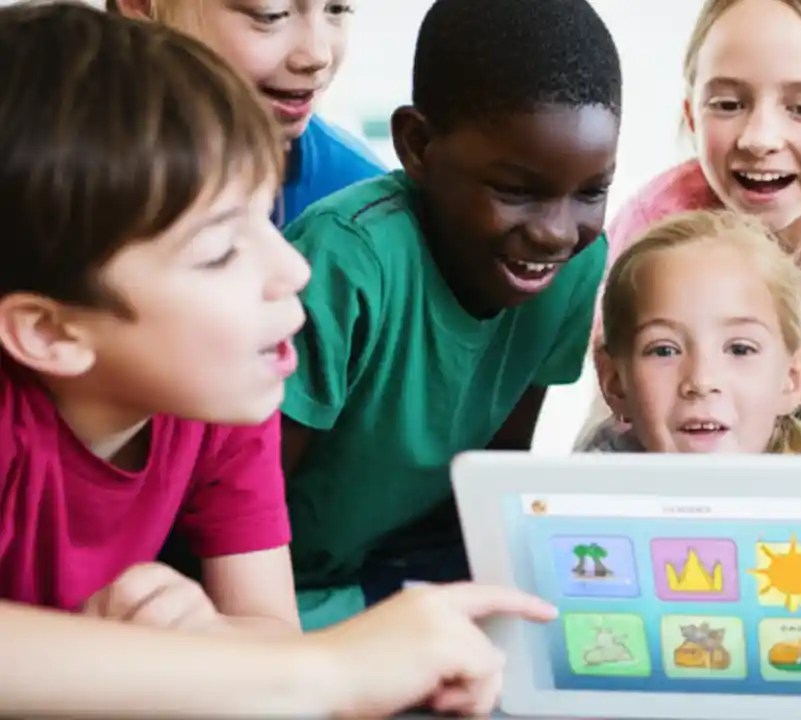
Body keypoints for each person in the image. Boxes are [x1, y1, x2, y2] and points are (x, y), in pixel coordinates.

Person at [280, 0, 622, 631]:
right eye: (516, 191)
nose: (554, 232)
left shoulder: (576, 265)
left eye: (591, 192)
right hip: (276, 581)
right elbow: (242, 499)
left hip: (410, 566)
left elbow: (496, 478)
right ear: (418, 145)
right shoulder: (347, 262)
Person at [0, 0, 307, 634]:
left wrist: (210, 637)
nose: (294, 271)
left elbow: (275, 638)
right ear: (49, 332)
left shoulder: (221, 391)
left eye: (267, 216)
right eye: (221, 251)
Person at [580, 0, 801, 447]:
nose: (759, 138)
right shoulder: (652, 222)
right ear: (692, 117)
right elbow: (620, 412)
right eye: (728, 103)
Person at [1, 584, 556, 718]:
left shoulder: (227, 413)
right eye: (214, 275)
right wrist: (333, 666)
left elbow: (271, 627)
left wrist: (212, 639)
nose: (295, 279)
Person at [113, 0, 384, 226]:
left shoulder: (365, 202)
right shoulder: (78, 179)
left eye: (337, 8)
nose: (317, 55)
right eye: (271, 15)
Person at [586, 210, 801, 454]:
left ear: (792, 378)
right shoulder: (575, 491)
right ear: (614, 381)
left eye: (740, 349)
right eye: (664, 350)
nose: (701, 381)